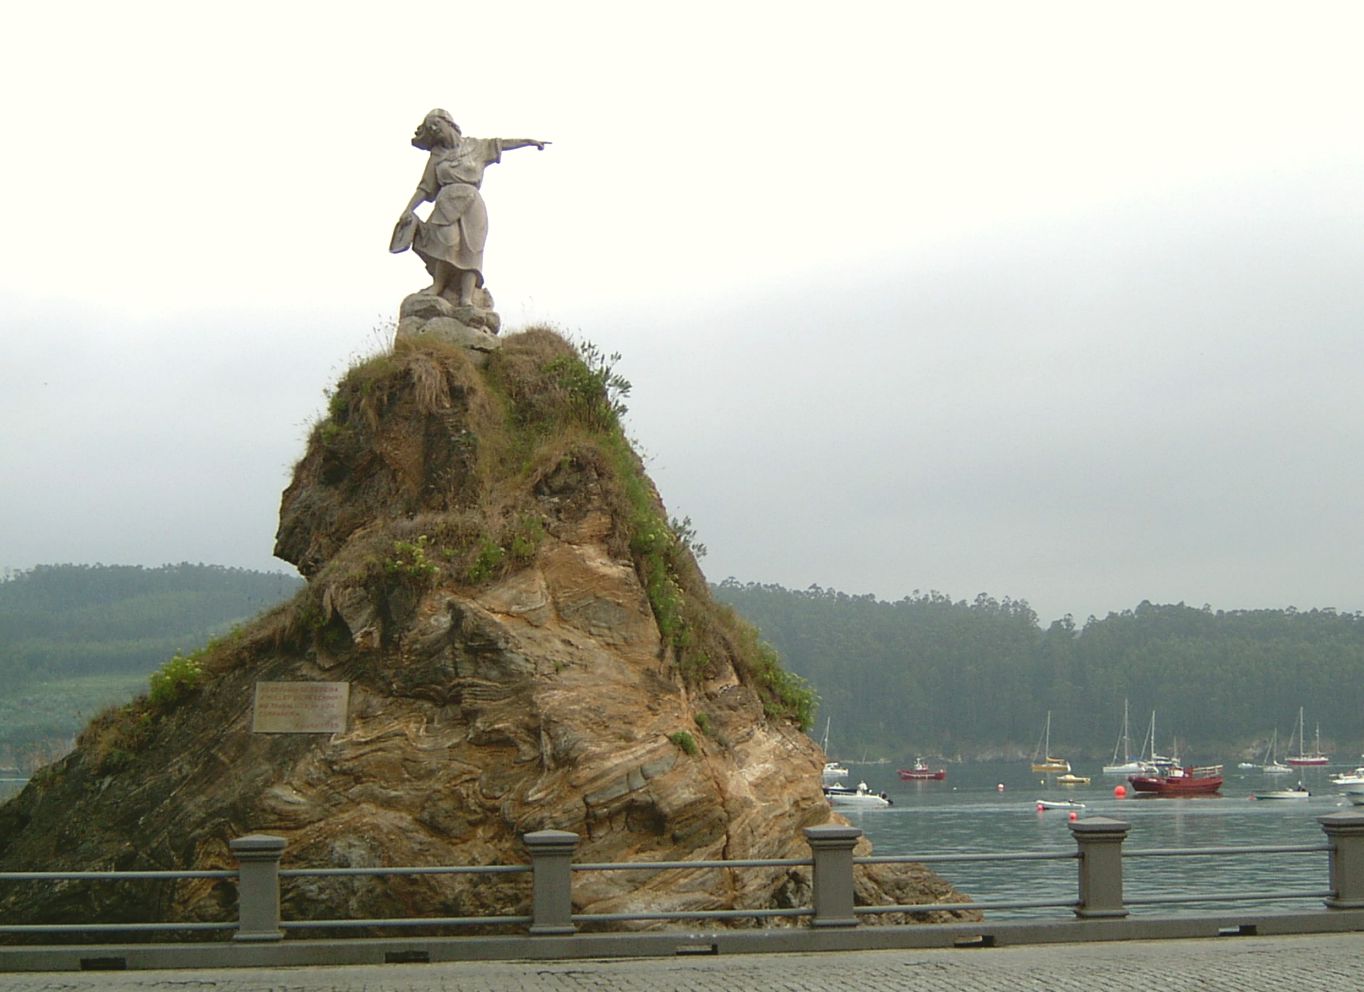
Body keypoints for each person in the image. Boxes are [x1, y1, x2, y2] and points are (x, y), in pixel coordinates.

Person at [391, 109, 547, 306]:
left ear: (448, 123)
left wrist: (529, 141)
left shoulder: (476, 146)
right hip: (446, 204)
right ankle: (438, 286)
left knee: (471, 249)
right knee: (447, 243)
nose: (433, 129)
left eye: (436, 124)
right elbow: (425, 187)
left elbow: (502, 144)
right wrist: (408, 209)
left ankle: (466, 297)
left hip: (473, 203)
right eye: (430, 128)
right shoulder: (437, 155)